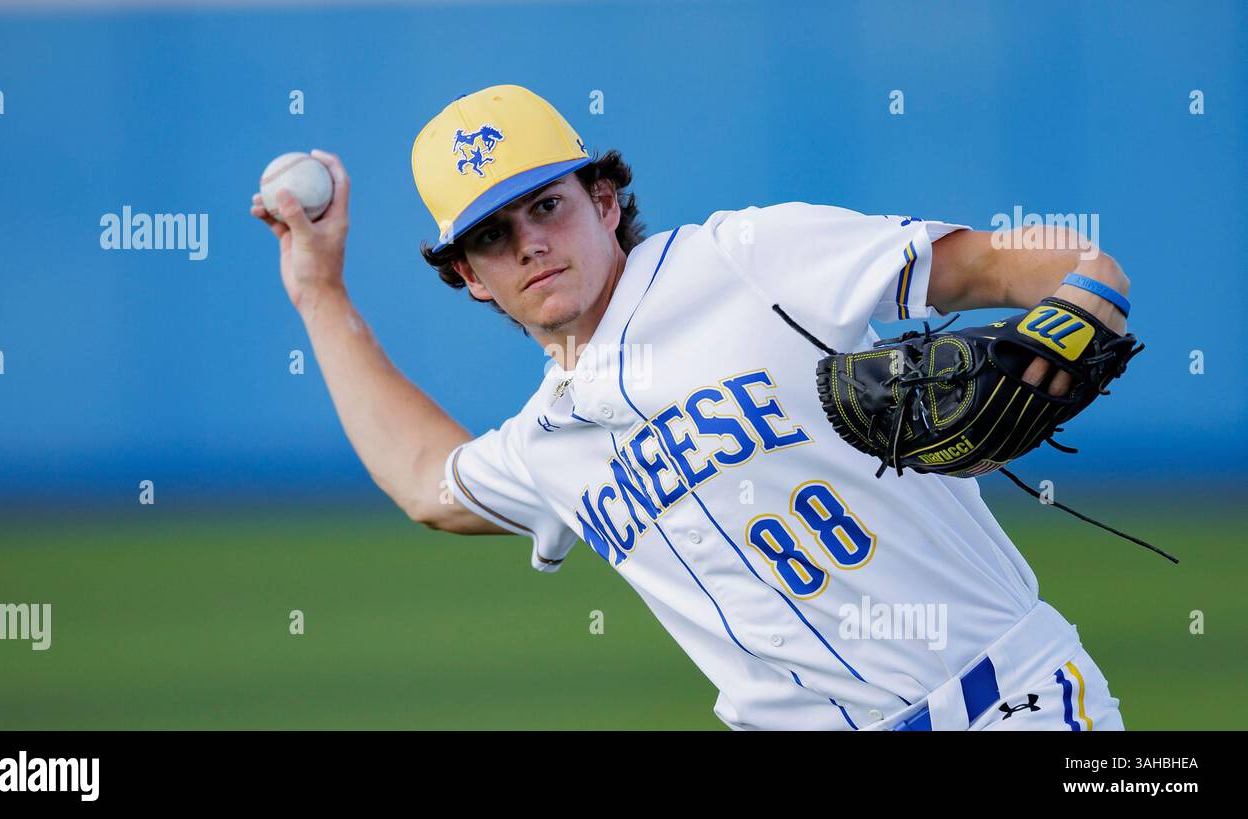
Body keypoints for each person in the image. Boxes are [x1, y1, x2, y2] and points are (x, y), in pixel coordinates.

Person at [251, 84, 1128, 731]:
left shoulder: (747, 258)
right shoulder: (547, 440)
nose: (531, 244)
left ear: (602, 200)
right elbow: (423, 482)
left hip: (1006, 705)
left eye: (548, 205)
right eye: (492, 235)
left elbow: (1021, 263)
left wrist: (1085, 300)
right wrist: (320, 294)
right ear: (470, 278)